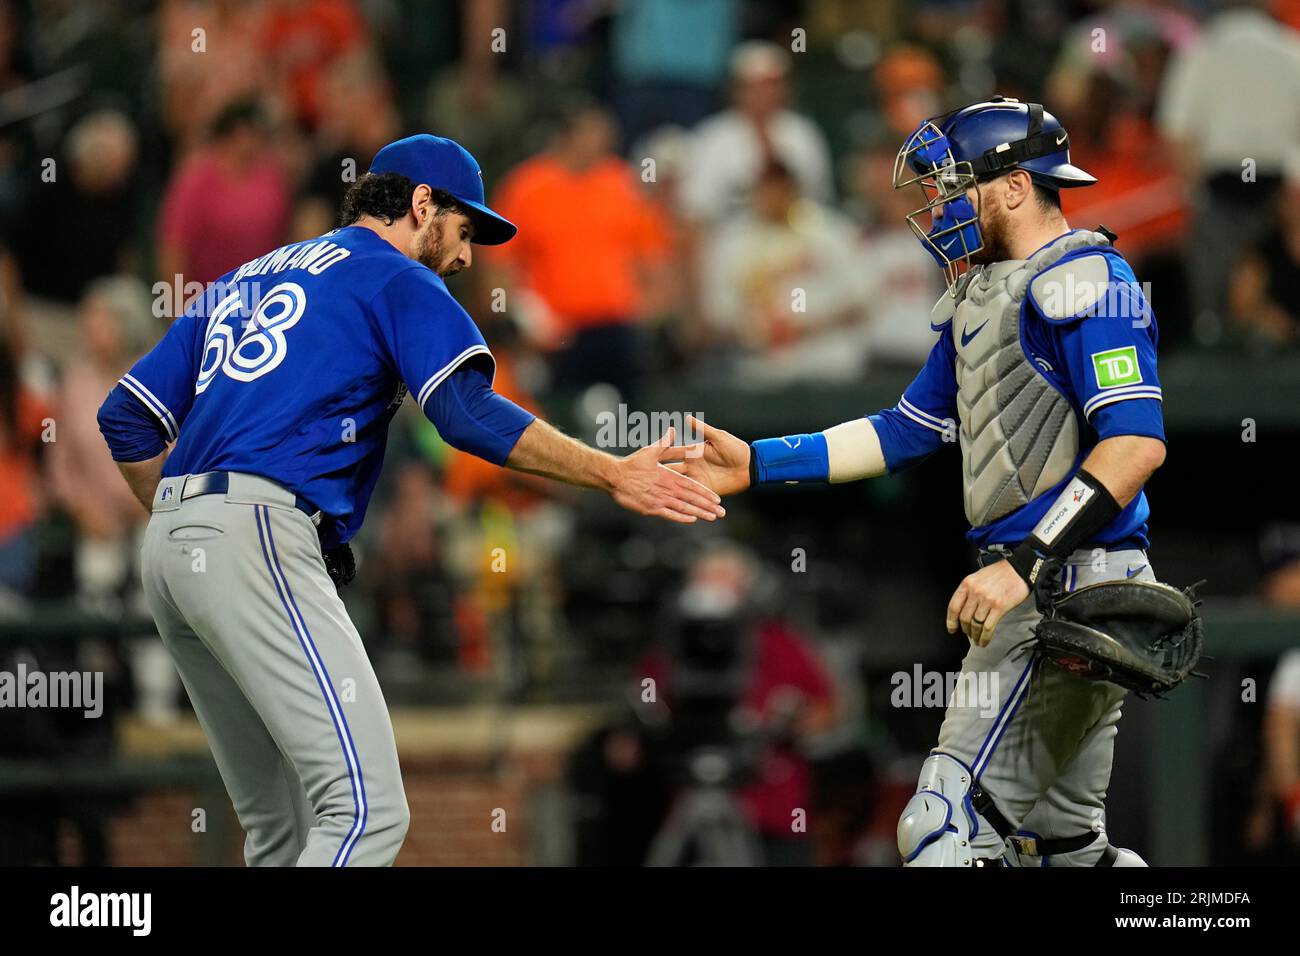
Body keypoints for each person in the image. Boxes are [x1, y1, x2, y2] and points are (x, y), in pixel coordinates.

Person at [97, 133, 724, 867]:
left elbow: (126, 417)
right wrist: (612, 472)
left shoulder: (249, 275)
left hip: (173, 544)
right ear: (421, 204)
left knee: (285, 831)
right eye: (462, 231)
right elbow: (467, 414)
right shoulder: (395, 277)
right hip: (256, 530)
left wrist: (192, 524)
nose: (463, 258)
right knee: (365, 812)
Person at [673, 98, 1168, 866]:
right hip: (1037, 586)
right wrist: (761, 460)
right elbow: (903, 429)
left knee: (939, 827)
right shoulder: (982, 295)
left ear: (1012, 187)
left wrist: (1025, 562)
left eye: (954, 185)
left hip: (1067, 584)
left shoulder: (1088, 279)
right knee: (1064, 846)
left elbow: (1134, 445)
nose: (938, 207)